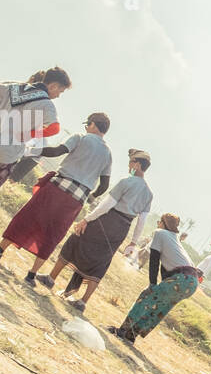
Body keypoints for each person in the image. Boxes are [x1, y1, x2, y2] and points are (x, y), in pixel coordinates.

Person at [0, 113, 112, 283]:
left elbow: (57, 151)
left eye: (87, 124)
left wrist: (32, 150)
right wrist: (91, 197)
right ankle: (32, 274)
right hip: (76, 200)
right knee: (53, 233)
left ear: (94, 124)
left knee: (28, 217)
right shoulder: (108, 153)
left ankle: (1, 249)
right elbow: (103, 185)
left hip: (58, 187)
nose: (86, 127)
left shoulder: (81, 138)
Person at [35, 150, 153, 311]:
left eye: (131, 163)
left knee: (74, 242)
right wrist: (133, 242)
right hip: (122, 228)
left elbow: (106, 205)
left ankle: (50, 278)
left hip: (106, 220)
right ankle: (82, 302)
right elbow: (142, 220)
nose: (129, 166)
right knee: (101, 261)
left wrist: (87, 219)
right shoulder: (149, 193)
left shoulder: (127, 181)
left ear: (138, 164)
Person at [108, 212, 198, 345]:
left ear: (164, 223)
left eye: (159, 221)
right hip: (192, 283)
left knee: (146, 297)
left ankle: (122, 331)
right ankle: (131, 335)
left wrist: (152, 283)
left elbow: (154, 260)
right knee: (160, 306)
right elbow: (167, 266)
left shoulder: (160, 233)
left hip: (181, 277)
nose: (158, 224)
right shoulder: (174, 238)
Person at [0, 68, 71, 185]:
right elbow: (54, 128)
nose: (58, 96)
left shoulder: (12, 87)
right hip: (7, 154)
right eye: (60, 91)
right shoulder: (46, 104)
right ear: (53, 86)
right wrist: (29, 134)